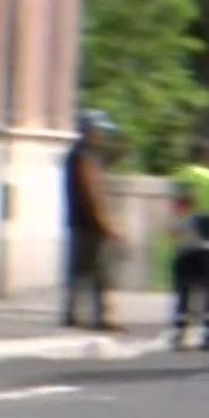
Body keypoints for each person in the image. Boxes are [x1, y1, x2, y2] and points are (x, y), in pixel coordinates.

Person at [169, 141, 209, 351]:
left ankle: (179, 333)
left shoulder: (181, 175)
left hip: (186, 235)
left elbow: (179, 204)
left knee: (184, 286)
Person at [62, 110, 120, 331]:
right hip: (89, 225)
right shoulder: (85, 157)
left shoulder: (77, 154)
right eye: (100, 132)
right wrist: (105, 222)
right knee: (100, 271)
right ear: (89, 131)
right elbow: (92, 192)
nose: (102, 137)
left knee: (79, 271)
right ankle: (104, 317)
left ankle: (72, 314)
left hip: (79, 222)